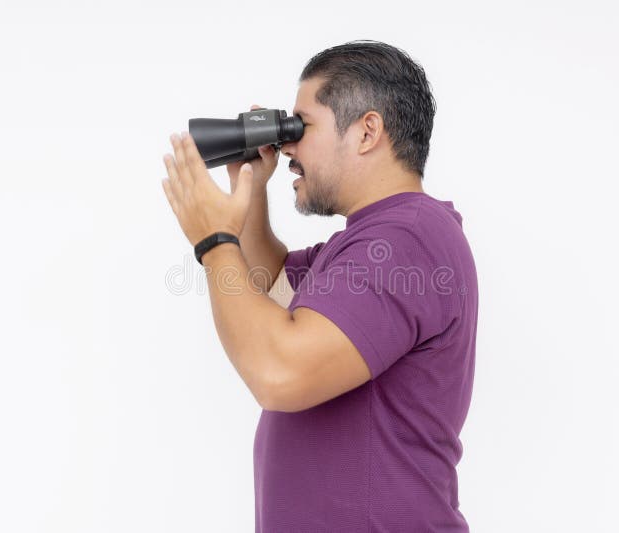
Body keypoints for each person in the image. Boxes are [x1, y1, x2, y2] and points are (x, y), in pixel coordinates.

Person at [162, 40, 478, 532]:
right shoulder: (369, 242)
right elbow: (268, 291)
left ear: (367, 131)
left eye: (300, 126)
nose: (287, 145)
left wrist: (214, 241)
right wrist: (248, 186)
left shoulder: (405, 238)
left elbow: (278, 371)